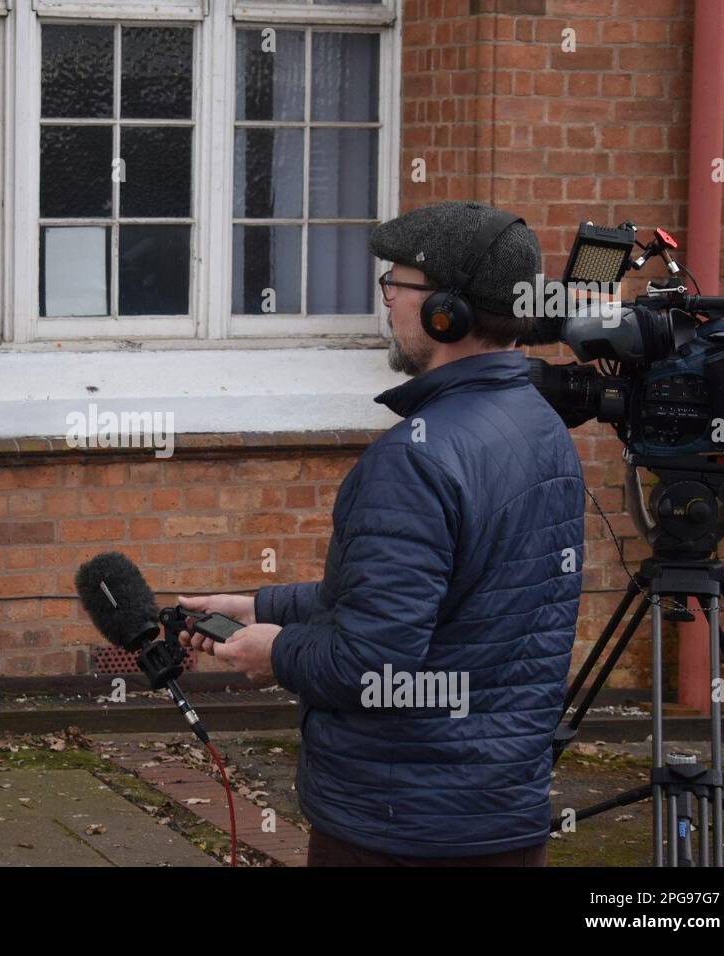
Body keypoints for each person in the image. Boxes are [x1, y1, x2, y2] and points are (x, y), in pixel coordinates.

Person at [181, 200, 585, 866]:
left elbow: (372, 661)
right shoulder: (541, 427)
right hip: (501, 819)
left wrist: (274, 653)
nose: (388, 303)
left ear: (445, 312)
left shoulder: (416, 457)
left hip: (399, 827)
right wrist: (264, 608)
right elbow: (440, 601)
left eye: (396, 285)